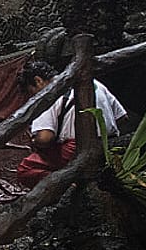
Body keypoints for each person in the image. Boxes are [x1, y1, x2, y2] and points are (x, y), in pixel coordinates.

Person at [16, 60, 128, 188]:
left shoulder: (48, 93)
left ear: (38, 81)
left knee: (26, 169)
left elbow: (45, 138)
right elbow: (122, 117)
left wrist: (34, 140)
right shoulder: (94, 83)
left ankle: (68, 186)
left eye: (31, 92)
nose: (33, 97)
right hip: (110, 143)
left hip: (76, 149)